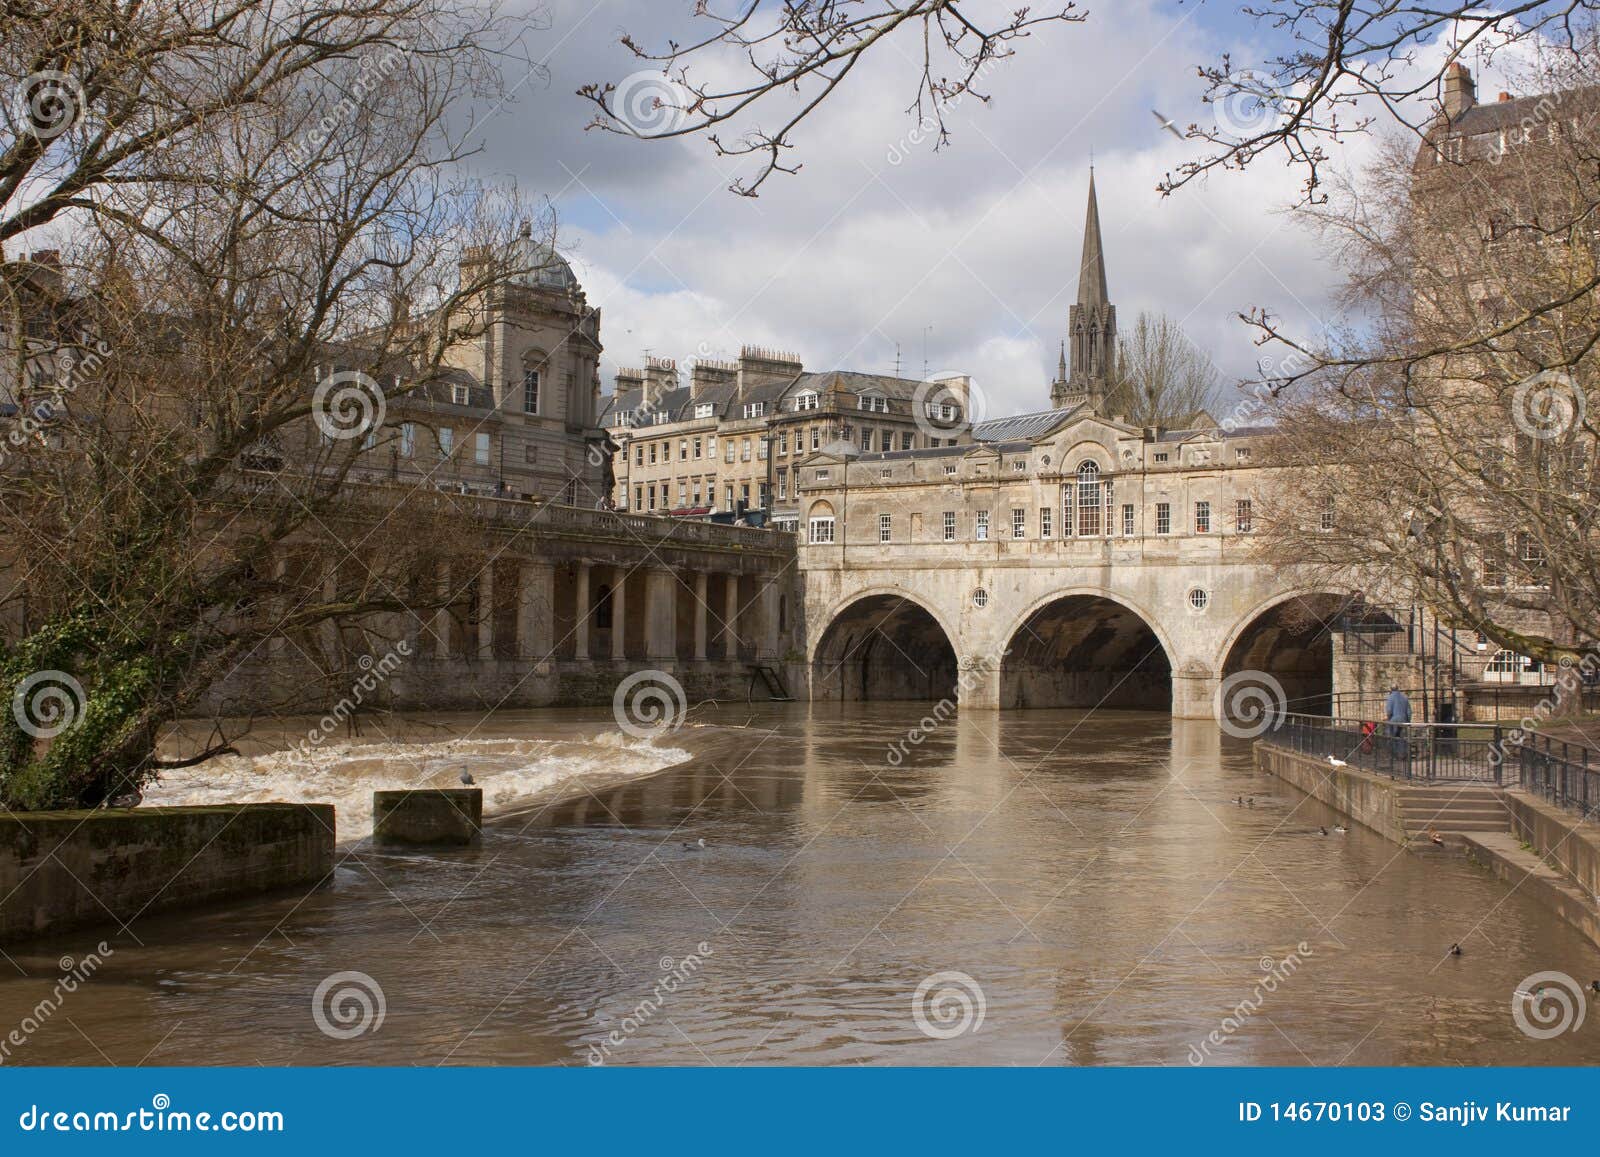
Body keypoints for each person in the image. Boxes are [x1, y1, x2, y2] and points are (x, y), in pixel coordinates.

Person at [1385, 685, 1412, 767]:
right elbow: (1409, 712)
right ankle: (1402, 755)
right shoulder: (1405, 697)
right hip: (1404, 720)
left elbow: (1389, 711)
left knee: (1391, 737)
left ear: (1391, 689)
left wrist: (1388, 719)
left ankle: (1394, 755)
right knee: (1402, 738)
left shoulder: (1390, 698)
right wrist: (1408, 721)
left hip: (1394, 720)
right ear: (1398, 688)